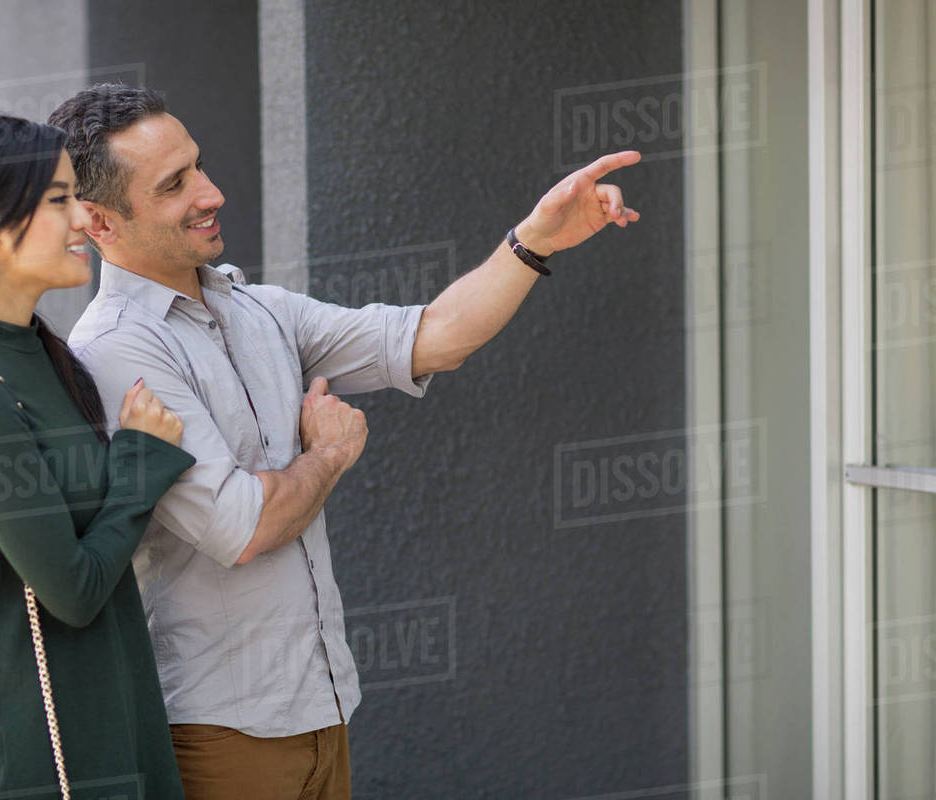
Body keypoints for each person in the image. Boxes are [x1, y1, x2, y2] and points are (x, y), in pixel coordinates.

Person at [49, 84, 640, 800]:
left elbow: (435, 337)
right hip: (220, 734)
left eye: (198, 166)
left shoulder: (256, 309)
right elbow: (243, 525)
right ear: (101, 222)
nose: (211, 192)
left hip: (321, 711)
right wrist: (328, 455)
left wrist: (534, 240)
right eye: (175, 185)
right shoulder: (118, 348)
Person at [0, 114, 196, 800]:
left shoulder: (39, 352)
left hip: (96, 724)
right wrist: (141, 463)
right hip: (23, 757)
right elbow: (73, 589)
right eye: (58, 200)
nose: (81, 220)